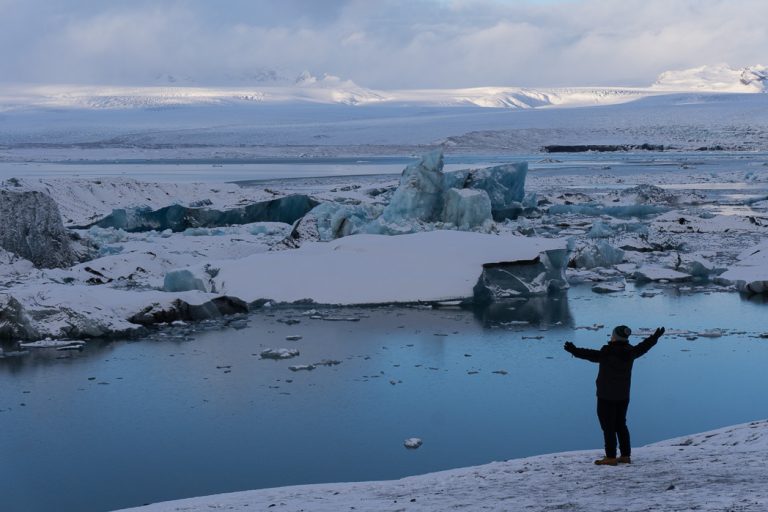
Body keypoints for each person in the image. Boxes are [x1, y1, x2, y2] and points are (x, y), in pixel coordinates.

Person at [564, 325, 665, 466]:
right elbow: (644, 346)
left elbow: (590, 355)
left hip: (606, 396)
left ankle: (611, 457)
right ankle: (625, 455)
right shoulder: (631, 352)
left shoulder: (607, 352)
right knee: (620, 424)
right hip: (623, 396)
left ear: (615, 336)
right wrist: (654, 338)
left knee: (608, 426)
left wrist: (573, 350)